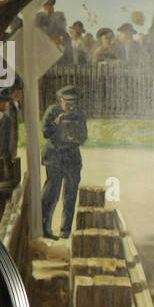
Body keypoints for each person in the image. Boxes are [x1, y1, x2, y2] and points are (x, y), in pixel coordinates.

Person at [40, 86, 87, 239]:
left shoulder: (79, 115)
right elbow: (45, 132)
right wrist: (56, 123)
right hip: (55, 157)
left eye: (73, 104)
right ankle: (44, 228)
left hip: (72, 158)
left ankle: (65, 230)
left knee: (70, 194)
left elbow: (84, 137)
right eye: (67, 103)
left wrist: (76, 135)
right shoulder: (53, 111)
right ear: (60, 101)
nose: (70, 107)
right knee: (51, 194)